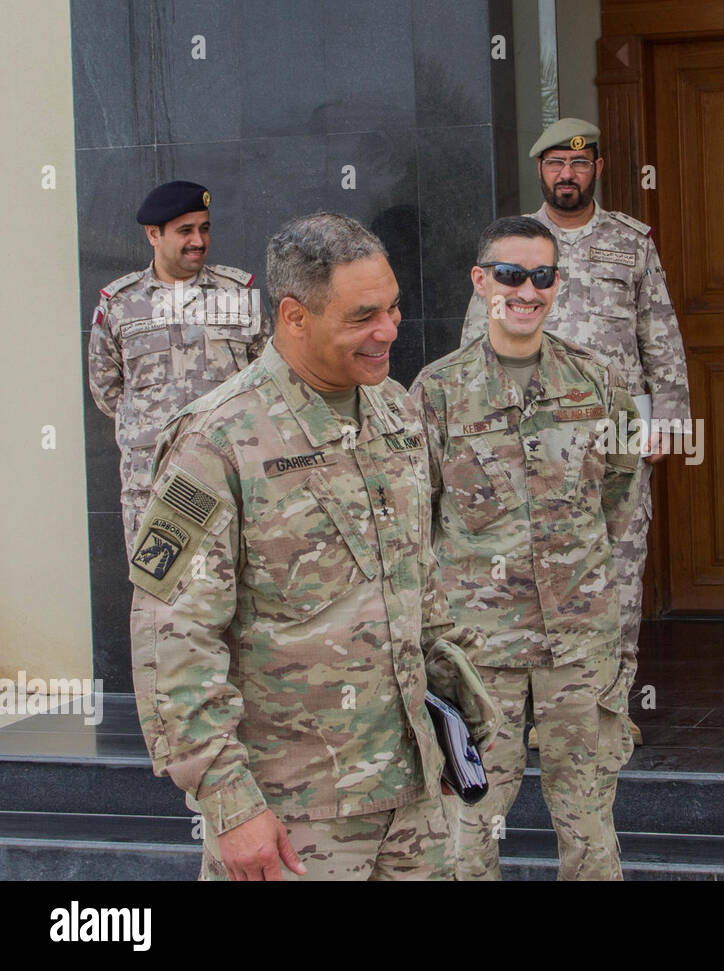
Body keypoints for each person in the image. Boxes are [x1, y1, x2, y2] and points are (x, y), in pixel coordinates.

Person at [128, 212, 498, 881]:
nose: (389, 330)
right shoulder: (216, 440)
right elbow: (171, 637)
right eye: (363, 317)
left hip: (412, 797)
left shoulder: (395, 412)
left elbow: (419, 583)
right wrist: (230, 803)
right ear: (294, 316)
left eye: (393, 308)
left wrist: (452, 726)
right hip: (295, 815)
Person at [412, 216, 643, 880]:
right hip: (482, 652)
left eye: (542, 276)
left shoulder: (597, 381)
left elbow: (618, 494)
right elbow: (413, 521)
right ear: (483, 281)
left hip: (580, 644)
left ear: (557, 284)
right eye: (511, 274)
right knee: (471, 819)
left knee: (590, 822)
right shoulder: (437, 392)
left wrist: (572, 562)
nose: (527, 290)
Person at [461, 118, 690, 747]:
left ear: (598, 169)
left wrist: (669, 419)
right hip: (528, 435)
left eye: (580, 164)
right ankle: (545, 713)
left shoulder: (631, 241)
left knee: (616, 567)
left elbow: (660, 332)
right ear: (541, 169)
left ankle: (607, 711)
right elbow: (476, 334)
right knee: (533, 571)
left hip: (613, 434)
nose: (569, 174)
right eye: (557, 163)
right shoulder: (514, 241)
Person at [88, 180, 270, 551]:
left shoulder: (236, 294)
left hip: (232, 476)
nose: (198, 241)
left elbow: (267, 378)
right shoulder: (120, 304)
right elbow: (107, 392)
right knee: (160, 594)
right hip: (153, 482)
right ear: (153, 234)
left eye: (204, 228)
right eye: (185, 231)